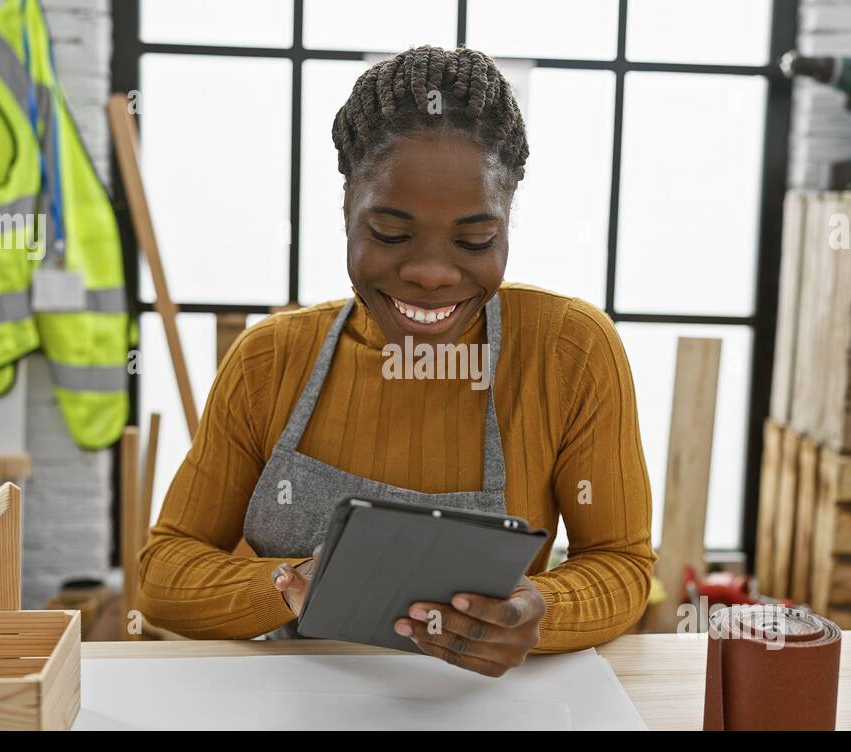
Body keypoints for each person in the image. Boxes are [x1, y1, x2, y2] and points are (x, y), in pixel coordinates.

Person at [138, 45, 654, 677]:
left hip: (478, 706)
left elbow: (621, 562)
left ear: (508, 222)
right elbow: (164, 572)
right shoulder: (269, 360)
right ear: (346, 210)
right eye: (390, 234)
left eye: (475, 240)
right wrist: (295, 581)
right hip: (290, 706)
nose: (431, 274)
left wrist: (541, 609)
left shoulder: (568, 351)